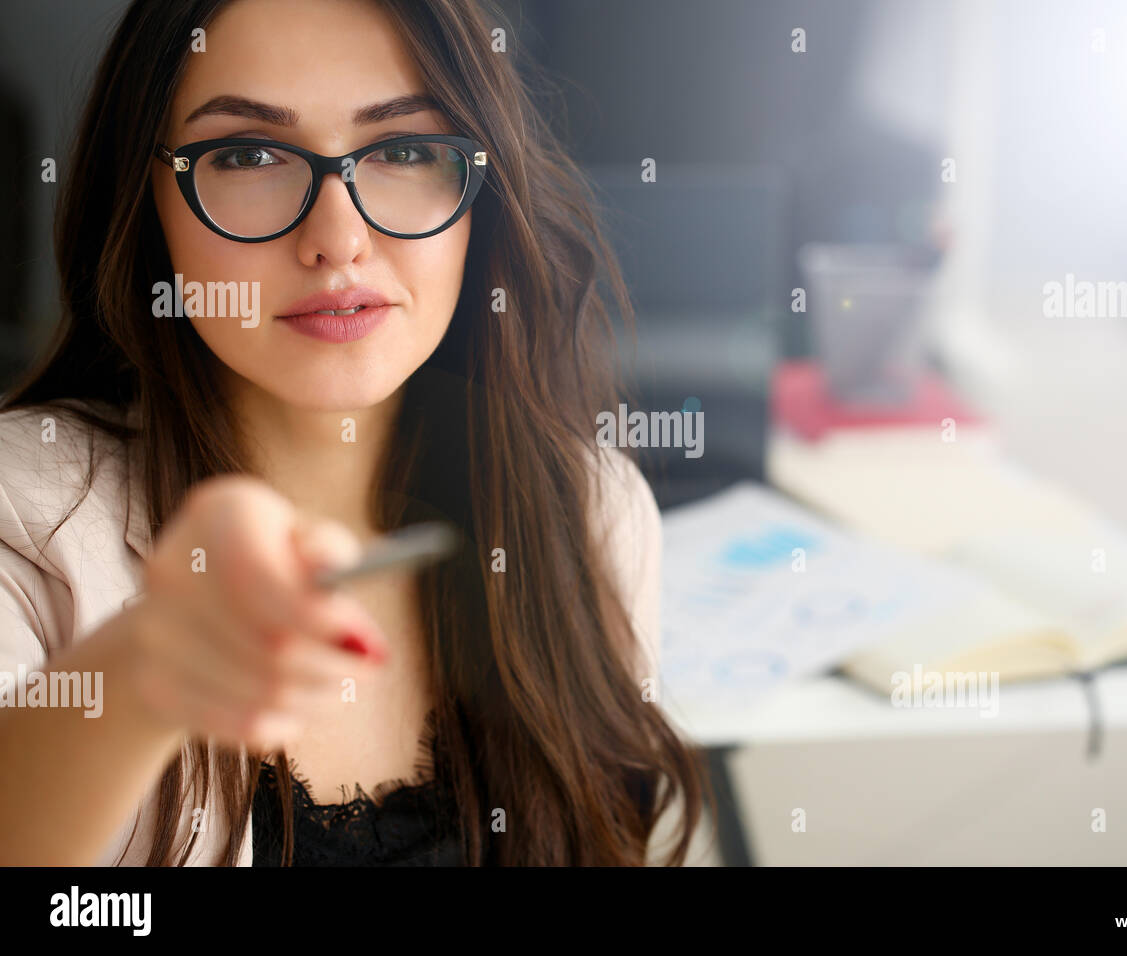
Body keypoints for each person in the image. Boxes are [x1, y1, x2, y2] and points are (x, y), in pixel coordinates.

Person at [0, 0, 705, 866]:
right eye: (247, 154)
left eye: (405, 150)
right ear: (143, 201)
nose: (338, 238)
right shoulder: (23, 522)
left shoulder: (591, 511)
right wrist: (144, 671)